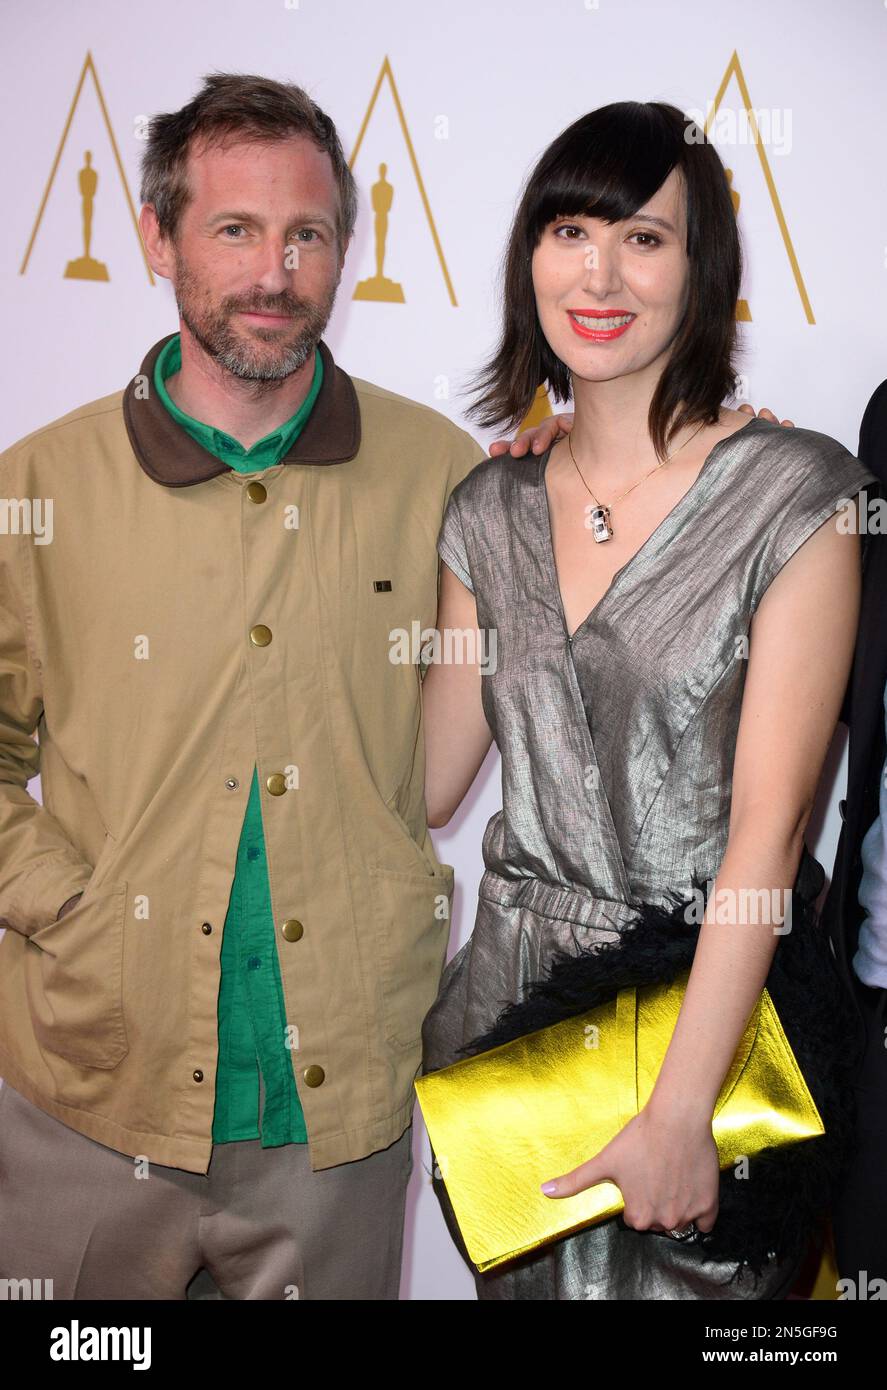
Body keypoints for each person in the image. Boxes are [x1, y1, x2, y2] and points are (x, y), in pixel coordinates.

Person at [0, 71, 496, 1301]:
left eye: (307, 234)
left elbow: (444, 766)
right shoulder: (38, 485)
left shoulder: (442, 471)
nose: (277, 271)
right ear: (158, 236)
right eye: (235, 230)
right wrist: (72, 903)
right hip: (87, 1100)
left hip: (335, 1117)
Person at [419, 100, 878, 1300]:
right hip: (517, 1031)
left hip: (707, 1024)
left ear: (701, 267)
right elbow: (426, 782)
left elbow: (769, 838)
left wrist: (679, 1109)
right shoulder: (485, 507)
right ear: (529, 260)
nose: (598, 273)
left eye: (644, 238)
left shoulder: (797, 490)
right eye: (569, 231)